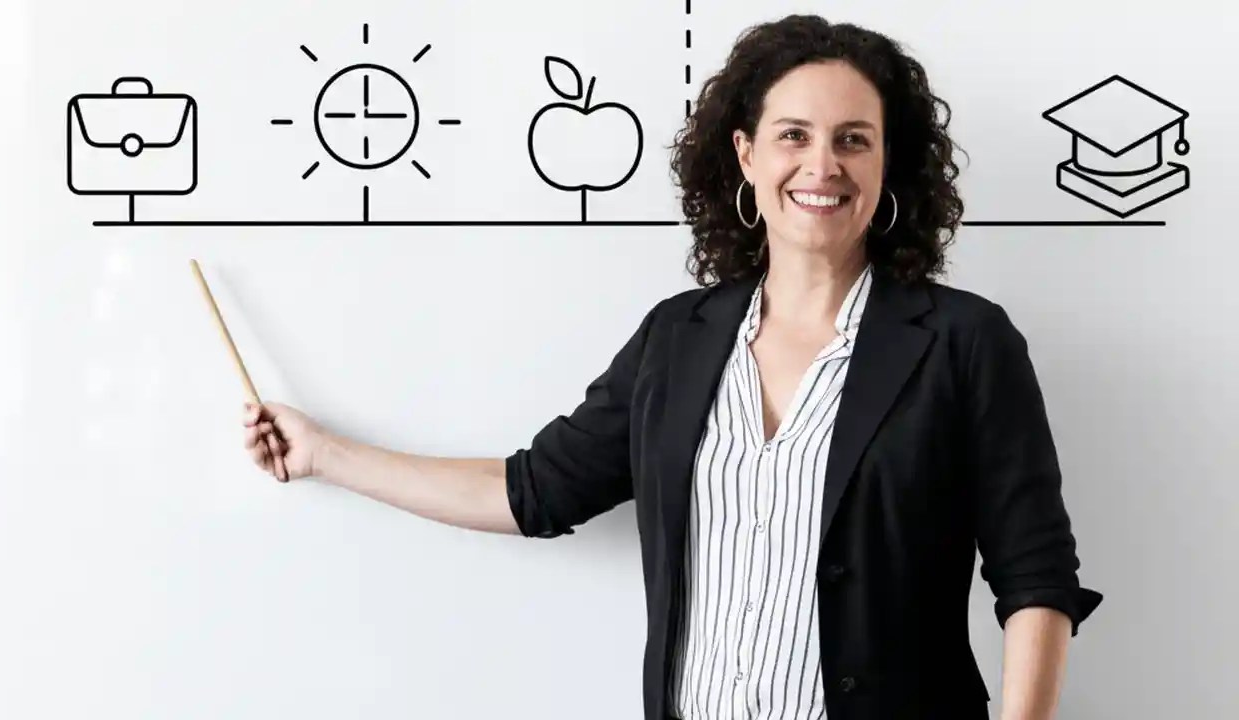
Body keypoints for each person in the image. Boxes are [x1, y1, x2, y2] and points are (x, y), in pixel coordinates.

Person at [241, 14, 1102, 720]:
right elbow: (536, 490)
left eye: (854, 140)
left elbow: (1036, 579)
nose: (822, 165)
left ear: (887, 165)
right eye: (793, 135)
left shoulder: (962, 342)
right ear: (746, 156)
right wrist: (324, 453)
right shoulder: (677, 341)